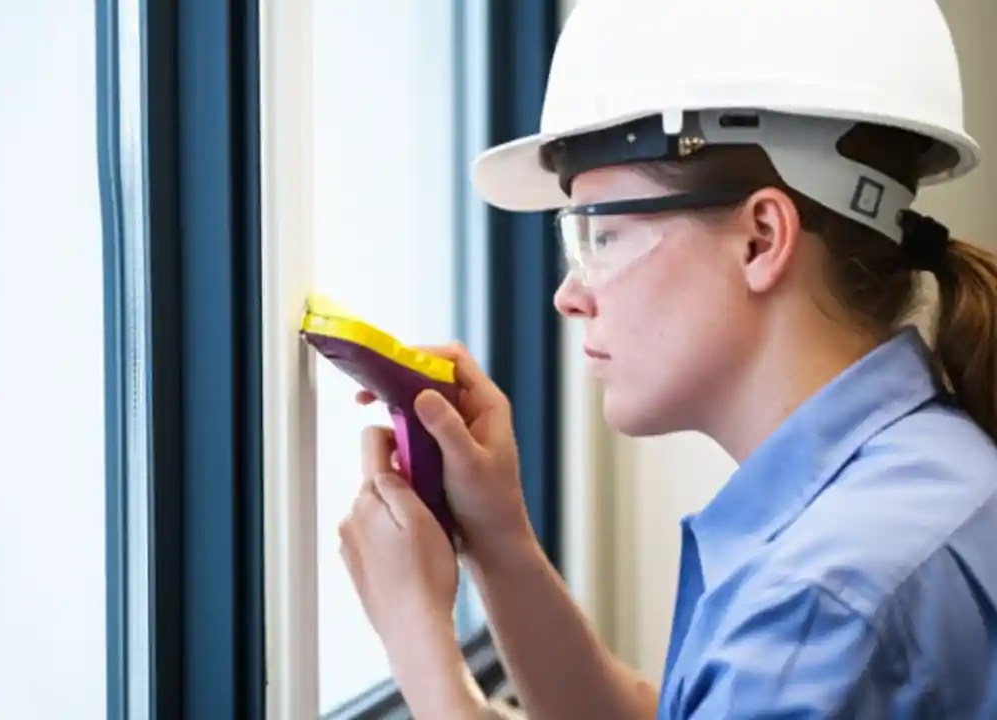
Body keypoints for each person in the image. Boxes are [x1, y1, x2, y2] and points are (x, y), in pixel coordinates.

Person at [336, 1, 997, 717]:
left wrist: (416, 638)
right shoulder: (925, 472)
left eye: (602, 237)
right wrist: (496, 538)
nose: (569, 295)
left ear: (760, 239)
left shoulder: (823, 600)